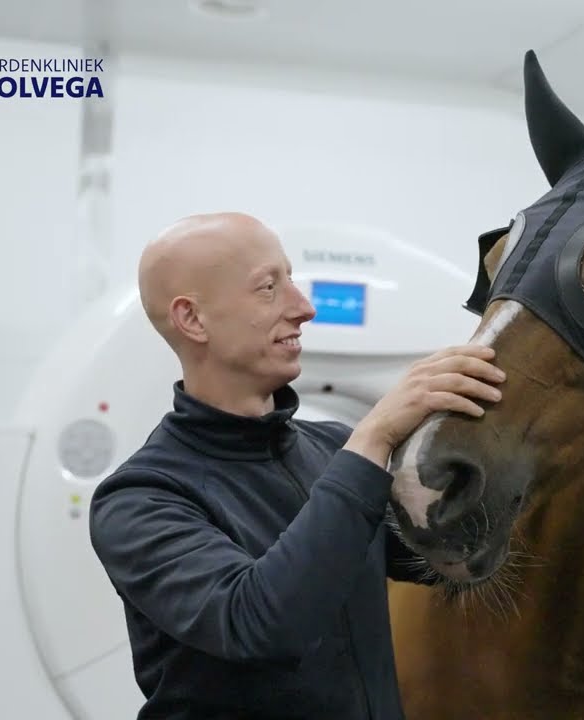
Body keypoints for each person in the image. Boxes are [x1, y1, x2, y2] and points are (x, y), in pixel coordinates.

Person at [88, 212, 505, 720]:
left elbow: (449, 555)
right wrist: (374, 435)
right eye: (268, 288)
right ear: (192, 319)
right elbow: (258, 624)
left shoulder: (331, 448)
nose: (304, 308)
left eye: (291, 280)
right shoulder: (139, 499)